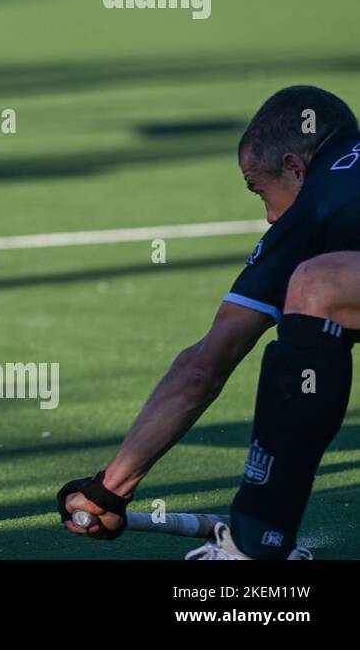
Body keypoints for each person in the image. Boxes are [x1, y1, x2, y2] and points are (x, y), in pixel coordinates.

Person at [58, 85, 360, 559]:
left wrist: (108, 490)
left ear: (295, 168)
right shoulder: (346, 185)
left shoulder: (315, 204)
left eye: (259, 189)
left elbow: (204, 366)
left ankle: (257, 547)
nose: (268, 217)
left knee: (318, 286)